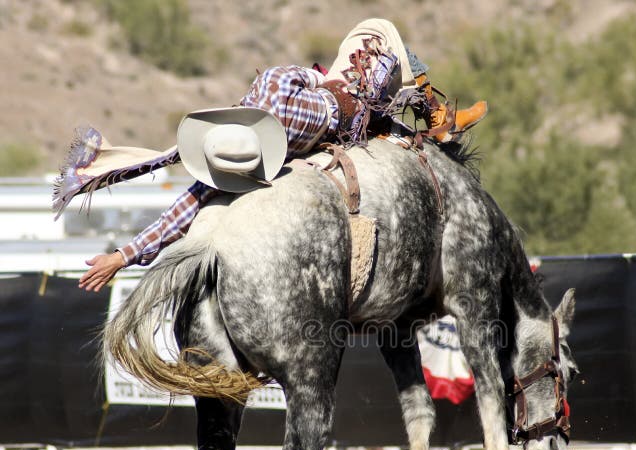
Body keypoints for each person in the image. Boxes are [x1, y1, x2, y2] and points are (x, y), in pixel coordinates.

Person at [77, 18, 487, 292]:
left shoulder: (236, 159)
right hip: (350, 102)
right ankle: (436, 115)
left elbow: (178, 215)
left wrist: (121, 257)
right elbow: (311, 75)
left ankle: (432, 120)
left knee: (383, 99)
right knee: (390, 43)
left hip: (344, 112)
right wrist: (324, 79)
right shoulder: (269, 87)